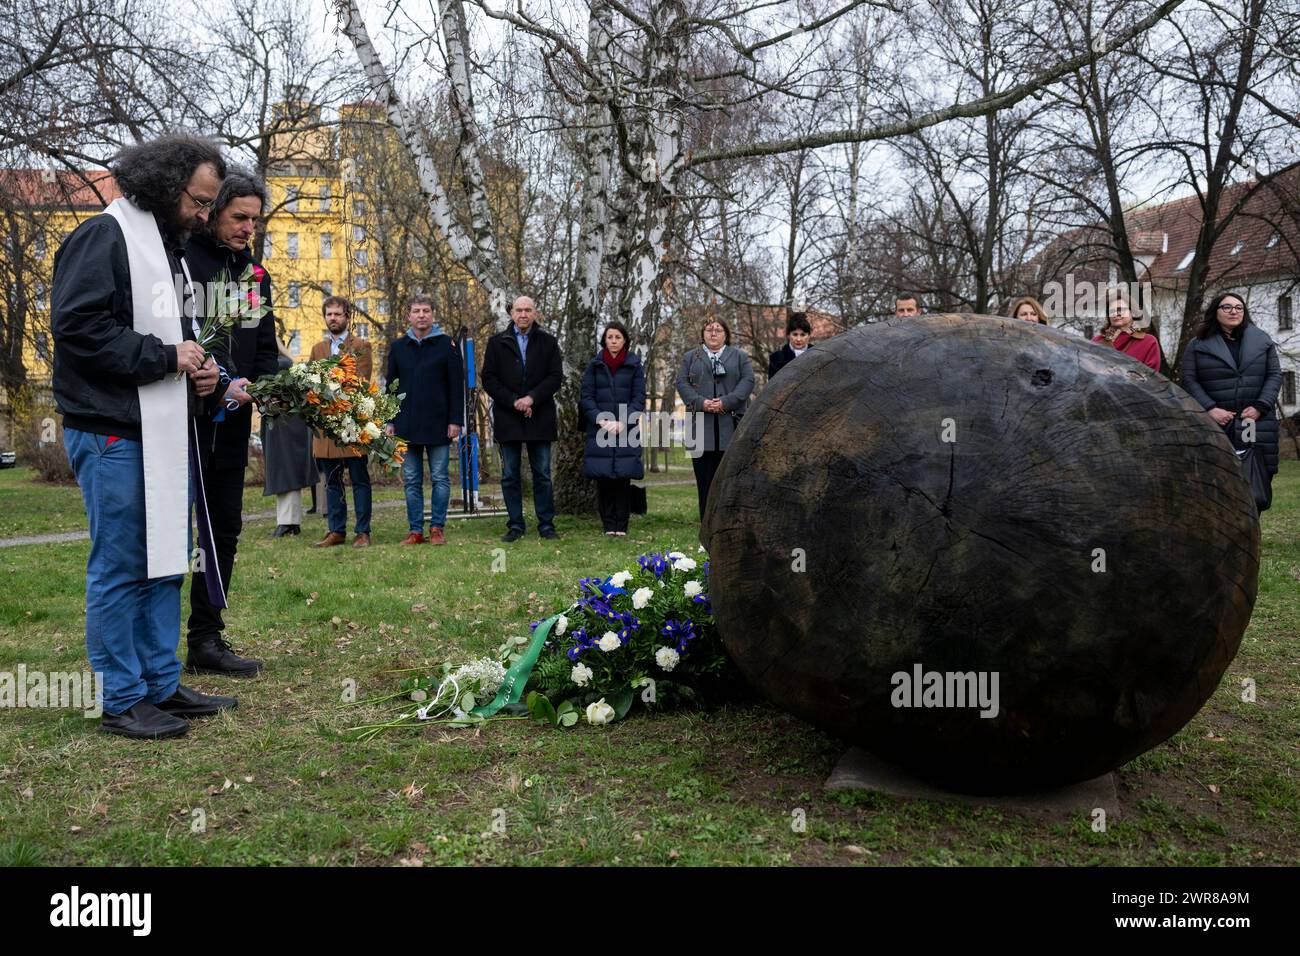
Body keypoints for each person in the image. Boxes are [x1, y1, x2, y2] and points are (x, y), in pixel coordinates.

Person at [51, 134, 237, 739]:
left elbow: (180, 343)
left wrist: (202, 372)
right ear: (164, 183)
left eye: (210, 204)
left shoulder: (168, 248)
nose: (204, 214)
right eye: (200, 201)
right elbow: (78, 328)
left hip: (159, 428)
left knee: (165, 562)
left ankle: (161, 684)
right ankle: (120, 696)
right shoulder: (103, 236)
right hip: (110, 431)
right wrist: (164, 357)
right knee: (123, 564)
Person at [183, 169, 278, 677]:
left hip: (234, 421)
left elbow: (264, 347)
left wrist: (268, 388)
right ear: (212, 212)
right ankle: (150, 646)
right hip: (180, 418)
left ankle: (205, 638)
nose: (248, 228)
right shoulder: (182, 262)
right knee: (173, 531)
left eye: (255, 220)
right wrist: (216, 383)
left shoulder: (254, 275)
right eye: (238, 217)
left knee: (224, 527)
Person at [1181, 292, 1282, 509]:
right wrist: (1210, 409)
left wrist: (1260, 406)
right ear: (1215, 312)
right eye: (1226, 307)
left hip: (1253, 422)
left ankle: (1251, 535)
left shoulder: (1262, 339)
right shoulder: (1198, 344)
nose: (1233, 311)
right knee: (1219, 478)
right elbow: (1188, 380)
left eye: (1238, 307)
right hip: (1218, 423)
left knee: (1255, 477)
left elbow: (1274, 375)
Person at [481, 295, 564, 542]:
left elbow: (555, 377)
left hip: (540, 415)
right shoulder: (497, 342)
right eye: (519, 310)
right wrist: (514, 400)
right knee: (510, 475)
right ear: (512, 313)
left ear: (535, 313)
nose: (523, 314)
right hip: (508, 417)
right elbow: (489, 378)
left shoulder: (548, 342)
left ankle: (546, 524)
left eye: (528, 310)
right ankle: (515, 525)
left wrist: (531, 399)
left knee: (542, 473)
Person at [386, 294, 464, 545]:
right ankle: (415, 530)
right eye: (416, 310)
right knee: (411, 480)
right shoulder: (398, 347)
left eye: (426, 310)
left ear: (433, 315)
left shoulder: (447, 345)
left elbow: (456, 386)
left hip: (440, 424)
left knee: (440, 477)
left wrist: (455, 420)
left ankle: (437, 528)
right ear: (408, 315)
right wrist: (390, 421)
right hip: (406, 424)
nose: (421, 315)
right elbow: (391, 388)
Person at [676, 317, 755, 520]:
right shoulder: (690, 357)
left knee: (730, 482)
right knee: (705, 483)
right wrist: (701, 403)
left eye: (718, 330)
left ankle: (729, 524)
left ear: (726, 334)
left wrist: (725, 402)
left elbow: (747, 382)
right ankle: (707, 526)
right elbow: (682, 383)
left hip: (732, 427)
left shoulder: (739, 357)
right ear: (702, 334)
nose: (713, 333)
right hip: (700, 429)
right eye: (709, 329)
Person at [311, 296, 374, 548]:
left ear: (347, 317)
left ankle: (362, 531)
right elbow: (310, 384)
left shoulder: (361, 346)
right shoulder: (318, 349)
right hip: (326, 427)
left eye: (337, 314)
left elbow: (361, 383)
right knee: (333, 481)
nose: (333, 318)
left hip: (351, 423)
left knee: (359, 479)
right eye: (329, 314)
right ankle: (336, 531)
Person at [580, 321, 645, 535]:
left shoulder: (634, 365)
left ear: (624, 340)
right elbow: (586, 397)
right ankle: (609, 525)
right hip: (601, 428)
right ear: (604, 340)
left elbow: (639, 398)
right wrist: (601, 419)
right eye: (610, 337)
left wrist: (624, 422)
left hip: (627, 428)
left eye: (617, 337)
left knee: (623, 477)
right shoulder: (595, 365)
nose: (613, 341)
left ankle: (622, 526)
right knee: (604, 478)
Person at [263, 341, 318, 538]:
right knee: (284, 474)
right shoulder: (283, 365)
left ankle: (288, 522)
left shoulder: (280, 366)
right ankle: (288, 522)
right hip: (282, 427)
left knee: (286, 474)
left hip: (284, 428)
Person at [1092, 291, 1161, 371]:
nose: (1116, 314)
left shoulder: (1148, 342)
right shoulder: (1097, 341)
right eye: (1111, 311)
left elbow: (1151, 378)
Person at [768, 311, 813, 378]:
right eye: (795, 334)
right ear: (788, 335)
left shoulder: (818, 356)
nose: (798, 339)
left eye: (803, 335)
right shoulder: (776, 359)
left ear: (809, 336)